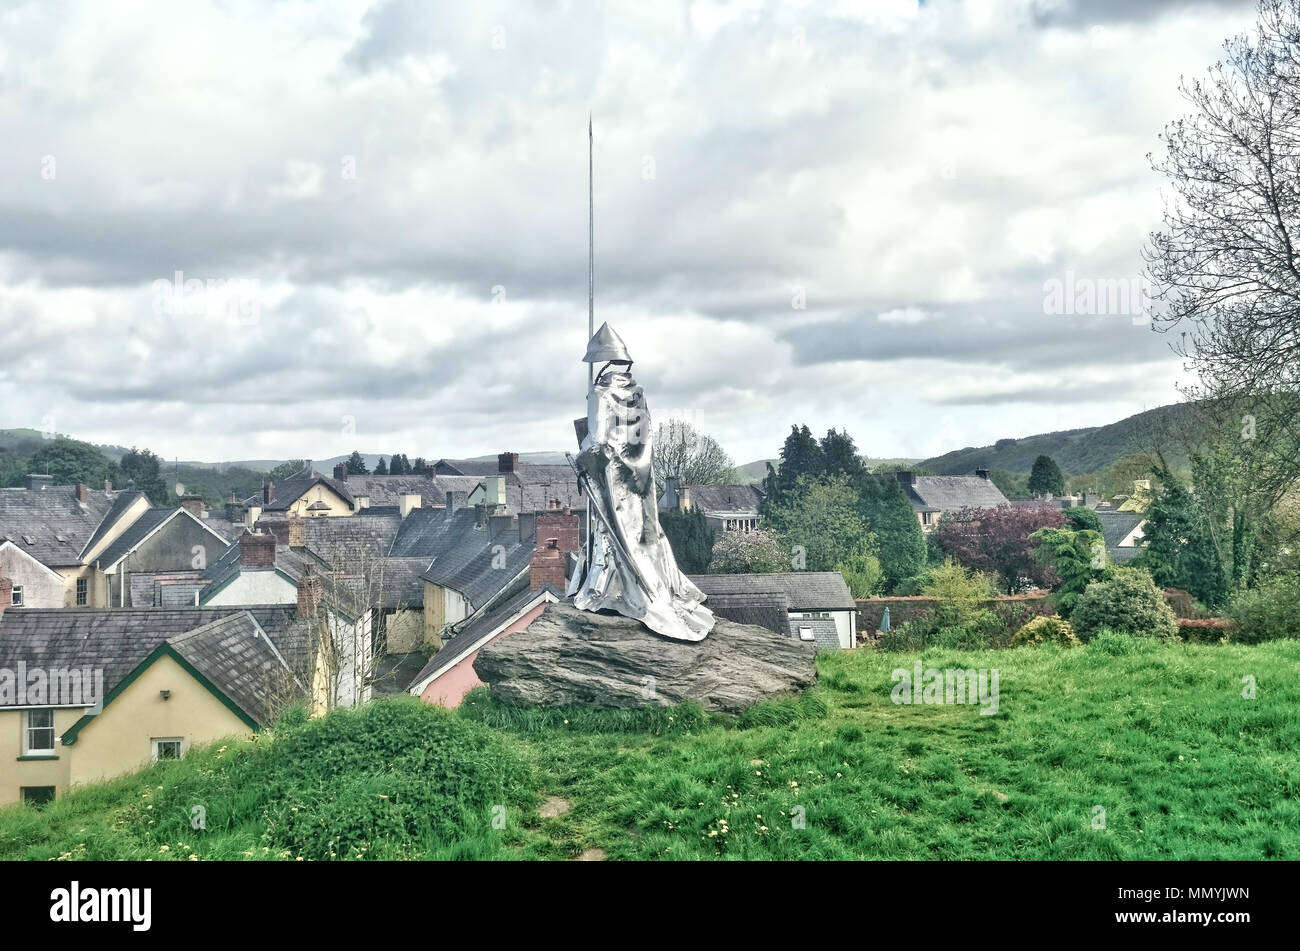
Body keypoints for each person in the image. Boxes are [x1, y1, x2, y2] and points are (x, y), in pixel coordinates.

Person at [568, 322, 714, 642]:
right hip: (638, 477)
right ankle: (632, 585)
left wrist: (582, 459)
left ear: (601, 362)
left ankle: (609, 589)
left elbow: (598, 440)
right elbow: (643, 438)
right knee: (640, 533)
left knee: (613, 531)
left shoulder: (601, 393)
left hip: (609, 475)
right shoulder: (637, 393)